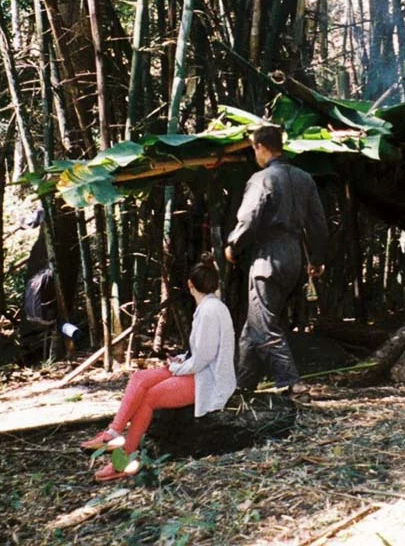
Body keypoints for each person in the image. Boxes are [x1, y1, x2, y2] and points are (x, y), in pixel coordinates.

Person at [80, 255, 236, 482]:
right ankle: (113, 432)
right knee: (139, 377)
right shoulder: (209, 306)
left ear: (190, 284)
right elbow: (197, 352)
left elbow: (204, 358)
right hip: (196, 370)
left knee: (149, 397)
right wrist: (179, 360)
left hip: (207, 379)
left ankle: (122, 460)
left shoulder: (211, 310)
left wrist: (176, 369)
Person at [225, 123, 327, 399]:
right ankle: (241, 387)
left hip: (268, 257)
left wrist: (234, 245)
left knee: (264, 324)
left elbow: (249, 218)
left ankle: (293, 384)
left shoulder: (262, 179)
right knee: (254, 323)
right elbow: (319, 223)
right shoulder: (305, 178)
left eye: (253, 149)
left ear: (260, 147)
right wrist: (315, 259)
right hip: (294, 257)